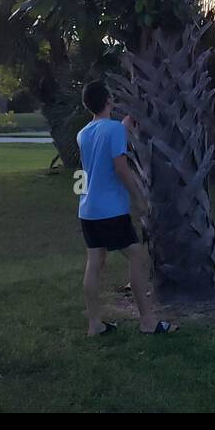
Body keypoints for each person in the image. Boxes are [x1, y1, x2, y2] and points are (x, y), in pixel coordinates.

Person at [76, 81, 177, 337]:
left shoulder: (84, 133)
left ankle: (95, 325)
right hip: (111, 210)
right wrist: (140, 197)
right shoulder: (114, 131)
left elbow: (103, 143)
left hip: (88, 209)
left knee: (94, 262)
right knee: (136, 256)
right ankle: (147, 321)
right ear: (109, 100)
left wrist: (122, 127)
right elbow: (120, 168)